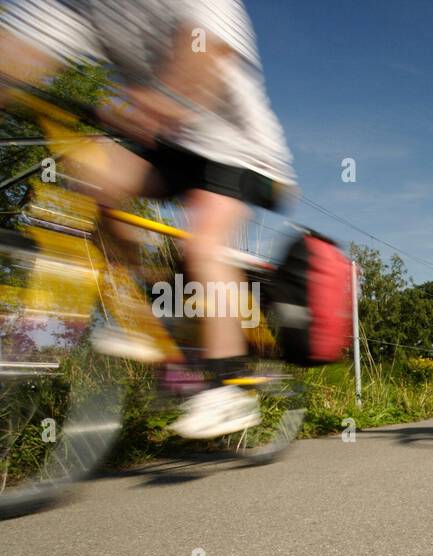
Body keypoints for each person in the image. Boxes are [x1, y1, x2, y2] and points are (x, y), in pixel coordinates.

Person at [0, 0, 297, 439]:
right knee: (91, 183)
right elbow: (21, 48)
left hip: (238, 147)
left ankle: (227, 385)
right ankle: (157, 309)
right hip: (168, 142)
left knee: (202, 245)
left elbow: (208, 50)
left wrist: (155, 102)